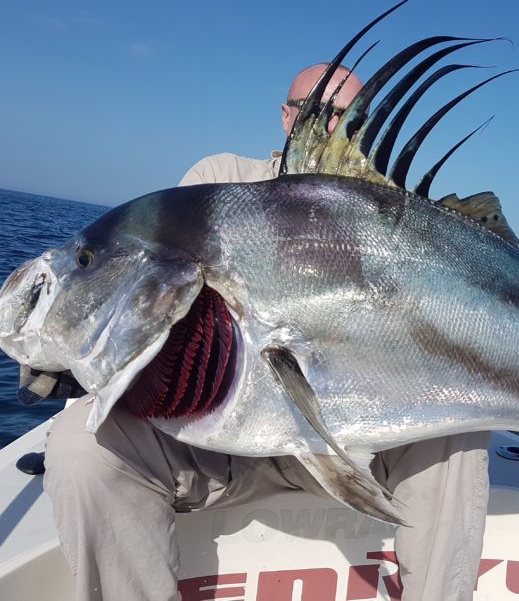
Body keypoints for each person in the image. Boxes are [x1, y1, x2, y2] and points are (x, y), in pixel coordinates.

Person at [42, 63, 490, 601]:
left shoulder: (399, 220)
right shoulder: (219, 179)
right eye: (317, 112)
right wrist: (76, 350)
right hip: (220, 442)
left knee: (458, 436)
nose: (331, 130)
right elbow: (156, 303)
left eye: (350, 117)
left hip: (355, 436)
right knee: (81, 447)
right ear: (286, 116)